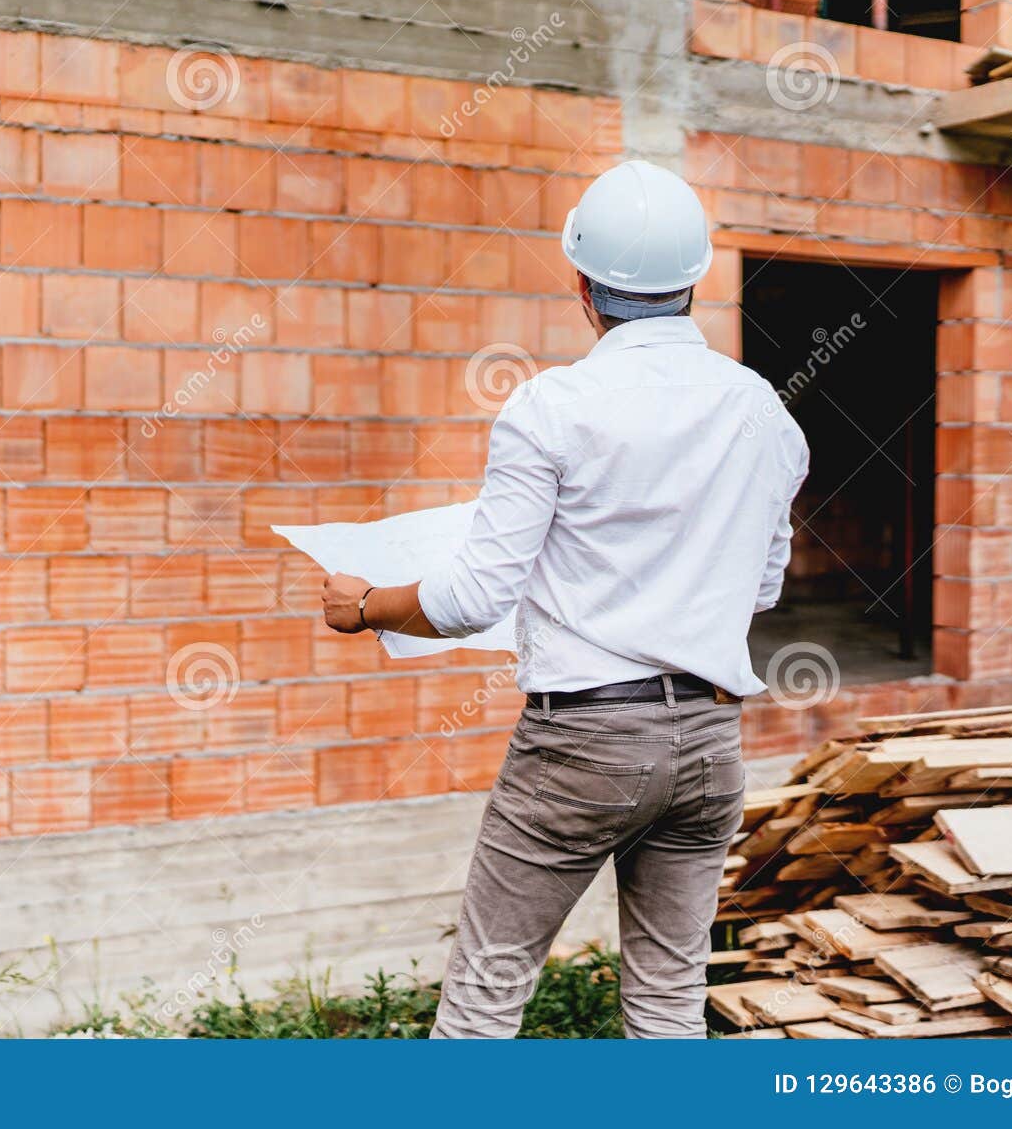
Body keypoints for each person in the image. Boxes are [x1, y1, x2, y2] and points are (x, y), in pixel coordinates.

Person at [320, 160, 809, 1038]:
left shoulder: (551, 407)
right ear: (695, 278)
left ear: (583, 283)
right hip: (708, 744)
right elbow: (761, 584)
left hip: (582, 742)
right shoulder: (763, 410)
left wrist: (368, 604)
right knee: (667, 1001)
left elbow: (472, 597)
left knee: (485, 996)